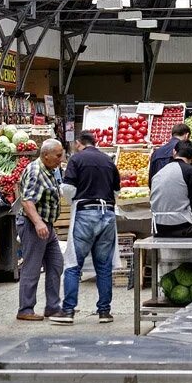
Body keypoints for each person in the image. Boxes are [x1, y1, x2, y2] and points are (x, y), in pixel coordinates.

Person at [51, 131, 122, 325]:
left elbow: (68, 189)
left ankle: (68, 311)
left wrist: (72, 201)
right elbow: (117, 191)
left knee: (74, 264)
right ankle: (104, 312)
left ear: (78, 143)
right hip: (107, 214)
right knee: (104, 266)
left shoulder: (76, 159)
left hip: (84, 213)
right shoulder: (108, 160)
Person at [15, 139, 66, 322]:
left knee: (56, 263)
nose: (61, 159)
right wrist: (38, 223)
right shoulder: (36, 171)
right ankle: (25, 309)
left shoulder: (49, 169)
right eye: (58, 155)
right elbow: (27, 201)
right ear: (46, 155)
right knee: (32, 267)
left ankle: (52, 307)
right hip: (33, 225)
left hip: (46, 226)